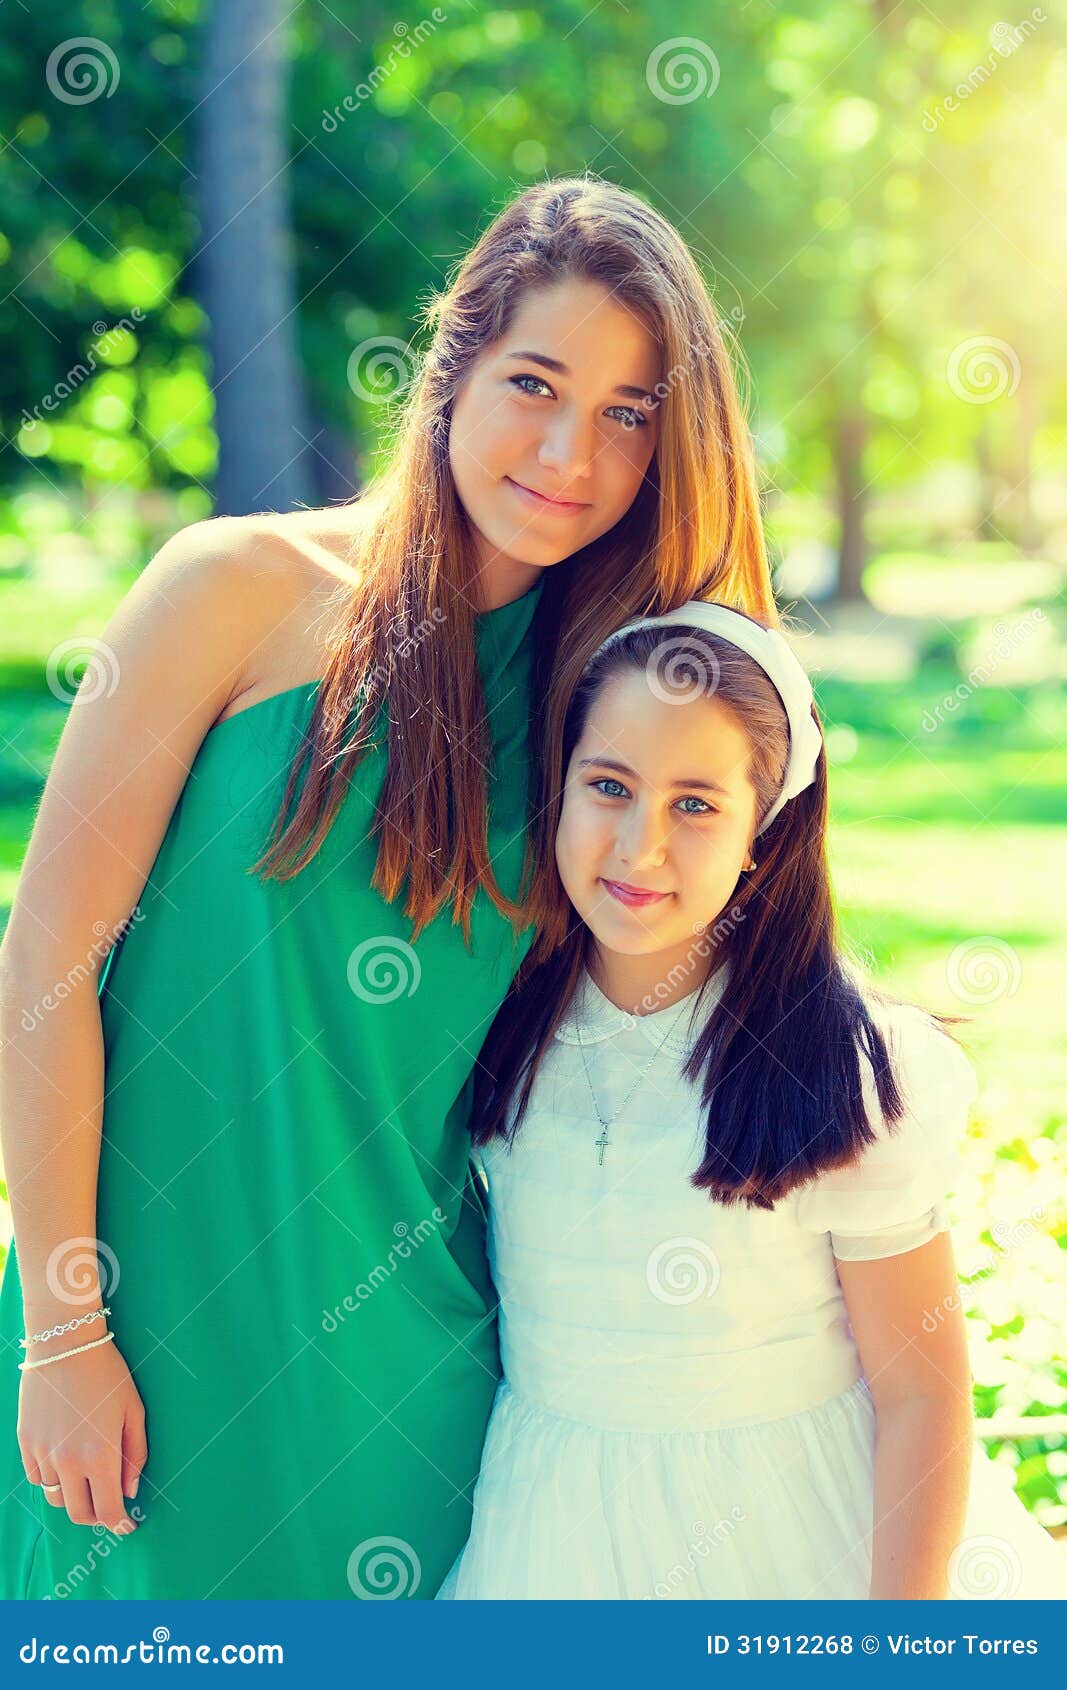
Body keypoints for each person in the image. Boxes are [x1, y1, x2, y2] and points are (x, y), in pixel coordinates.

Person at [0, 176, 777, 1599]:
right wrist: (63, 1327)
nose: (565, 452)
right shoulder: (228, 588)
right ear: (449, 364)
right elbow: (44, 954)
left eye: (625, 414)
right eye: (532, 383)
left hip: (422, 1376)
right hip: (145, 1335)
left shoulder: (615, 703)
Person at [436, 601, 1067, 1600]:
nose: (637, 847)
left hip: (792, 1541)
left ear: (760, 838)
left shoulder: (839, 1066)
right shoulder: (493, 1012)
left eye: (695, 805)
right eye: (608, 786)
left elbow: (917, 1390)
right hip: (547, 1529)